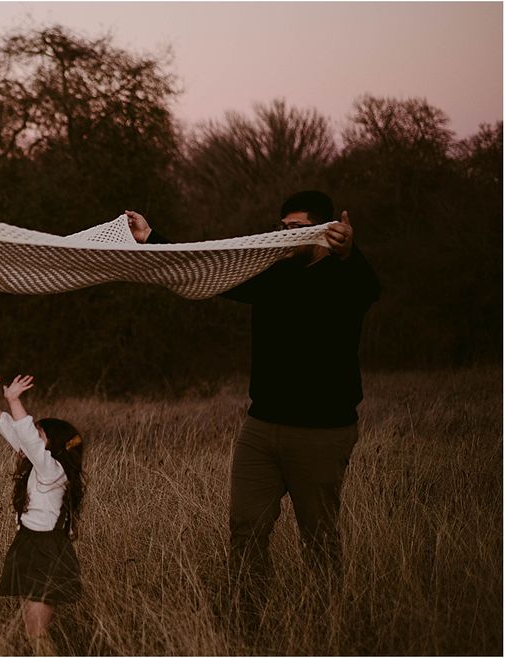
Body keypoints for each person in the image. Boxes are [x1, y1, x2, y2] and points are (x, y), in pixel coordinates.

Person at [125, 190, 381, 622]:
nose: (284, 236)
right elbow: (205, 269)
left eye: (295, 229)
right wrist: (151, 238)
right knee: (246, 530)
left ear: (323, 230)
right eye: (281, 228)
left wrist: (349, 253)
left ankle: (330, 626)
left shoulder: (346, 279)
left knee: (318, 538)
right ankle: (248, 623)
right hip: (260, 428)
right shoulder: (271, 275)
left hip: (320, 431)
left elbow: (369, 287)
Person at [0, 374, 86, 655]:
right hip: (31, 546)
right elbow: (18, 435)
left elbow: (26, 437)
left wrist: (14, 400)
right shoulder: (40, 466)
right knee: (33, 633)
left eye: (39, 436)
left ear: (51, 445)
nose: (31, 442)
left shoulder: (53, 471)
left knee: (36, 634)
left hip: (46, 552)